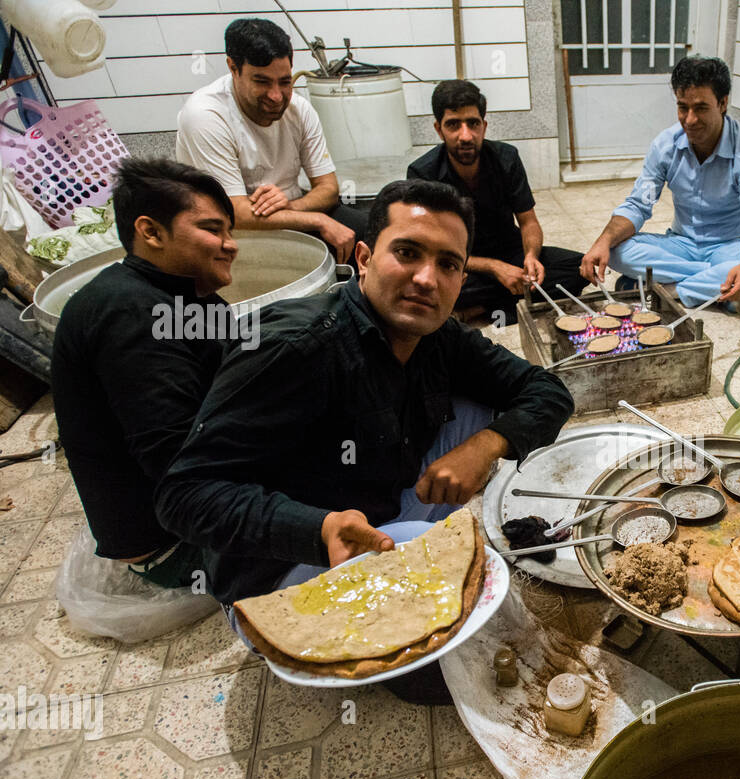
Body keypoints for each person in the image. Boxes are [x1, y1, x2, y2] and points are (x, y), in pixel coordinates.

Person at [155, 179, 574, 701]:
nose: (426, 279)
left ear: (462, 277)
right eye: (407, 252)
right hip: (285, 562)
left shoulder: (437, 335)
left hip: (374, 510)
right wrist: (318, 527)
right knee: (445, 677)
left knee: (487, 410)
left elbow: (548, 391)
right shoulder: (294, 345)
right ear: (363, 256)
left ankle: (410, 533)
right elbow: (184, 495)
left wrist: (486, 444)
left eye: (447, 264)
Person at [51, 158, 242, 588]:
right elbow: (179, 464)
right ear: (151, 232)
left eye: (230, 232)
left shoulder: (187, 297)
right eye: (213, 230)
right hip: (171, 547)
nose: (230, 245)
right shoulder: (131, 315)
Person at [580, 56, 740, 310]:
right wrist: (602, 242)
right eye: (682, 107)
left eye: (700, 108)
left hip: (729, 246)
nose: (689, 120)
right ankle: (717, 284)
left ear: (723, 103)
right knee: (616, 249)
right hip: (681, 244)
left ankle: (670, 290)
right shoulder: (665, 145)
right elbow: (638, 205)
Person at [175, 17, 364, 264]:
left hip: (293, 212)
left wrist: (291, 207)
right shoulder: (205, 116)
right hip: (231, 230)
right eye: (262, 81)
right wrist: (317, 220)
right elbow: (237, 213)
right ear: (233, 68)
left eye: (285, 82)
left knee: (375, 235)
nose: (276, 96)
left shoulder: (300, 109)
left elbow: (328, 189)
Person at [407, 79, 584, 320]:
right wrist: (493, 268)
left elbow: (528, 221)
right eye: (453, 125)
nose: (466, 135)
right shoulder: (422, 174)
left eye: (473, 123)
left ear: (484, 126)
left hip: (511, 252)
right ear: (439, 129)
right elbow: (431, 247)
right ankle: (511, 302)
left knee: (580, 267)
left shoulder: (507, 158)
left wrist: (531, 256)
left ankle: (479, 309)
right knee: (429, 286)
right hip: (462, 261)